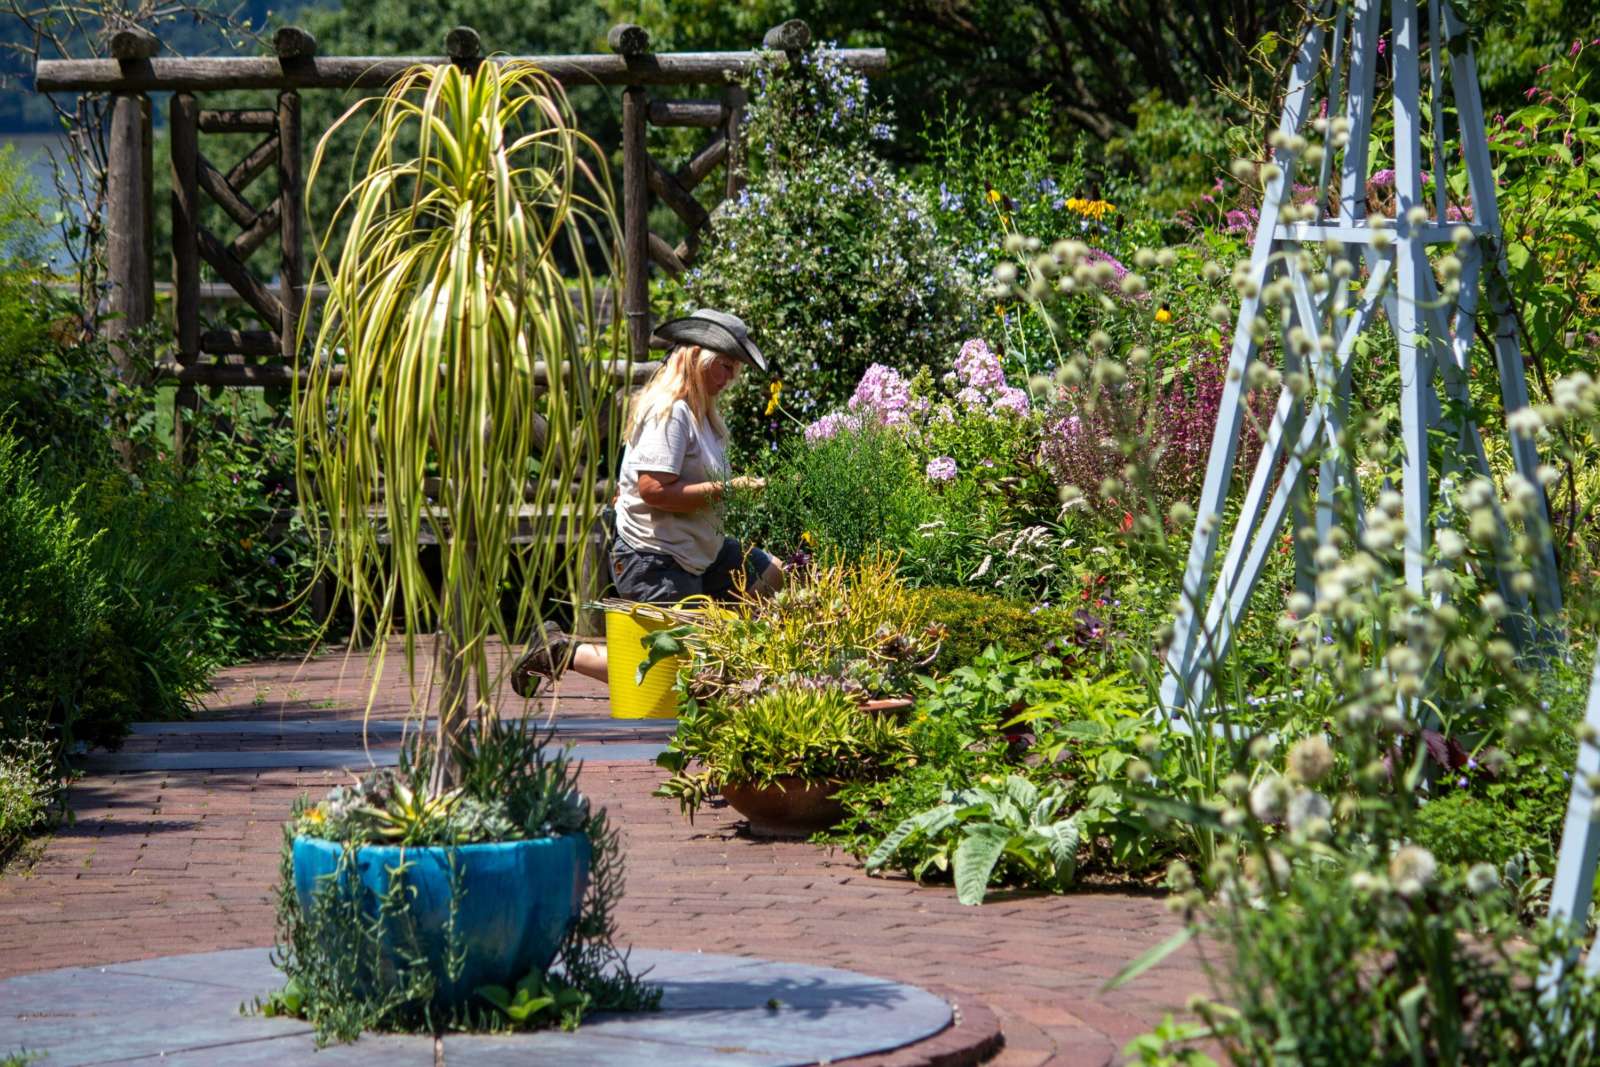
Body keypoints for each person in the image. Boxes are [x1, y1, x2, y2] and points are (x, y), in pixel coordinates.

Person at [511, 308, 783, 696]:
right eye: (723, 367)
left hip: (697, 550)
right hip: (654, 557)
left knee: (770, 573)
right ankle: (561, 651)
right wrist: (726, 490)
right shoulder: (669, 412)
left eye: (733, 371)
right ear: (696, 358)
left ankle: (716, 649)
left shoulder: (702, 413)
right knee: (680, 670)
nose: (728, 379)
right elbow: (654, 491)